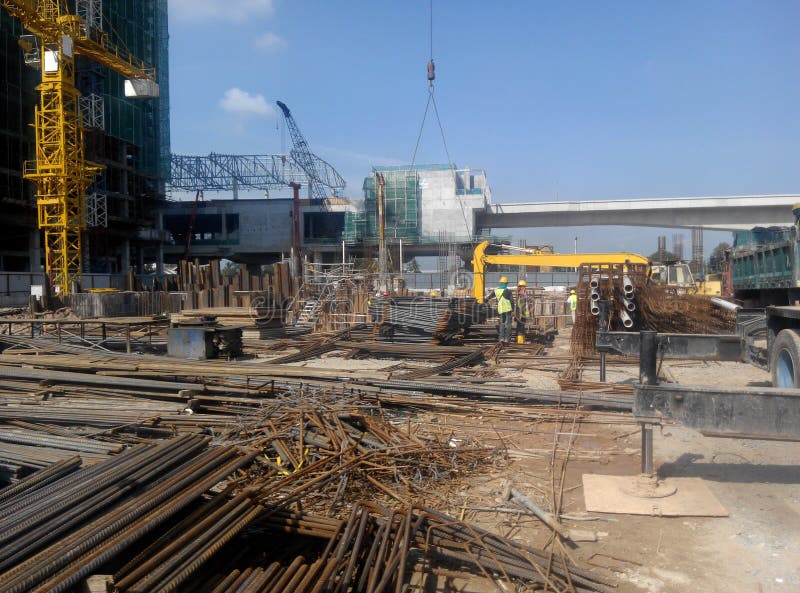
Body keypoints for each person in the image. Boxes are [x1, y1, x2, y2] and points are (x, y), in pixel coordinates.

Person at [486, 276, 514, 344]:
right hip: (508, 310)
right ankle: (507, 339)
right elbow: (512, 302)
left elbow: (488, 298)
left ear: (500, 283)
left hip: (501, 310)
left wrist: (483, 302)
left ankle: (501, 338)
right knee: (508, 325)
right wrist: (513, 310)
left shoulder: (496, 291)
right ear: (506, 283)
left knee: (502, 324)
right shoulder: (508, 291)